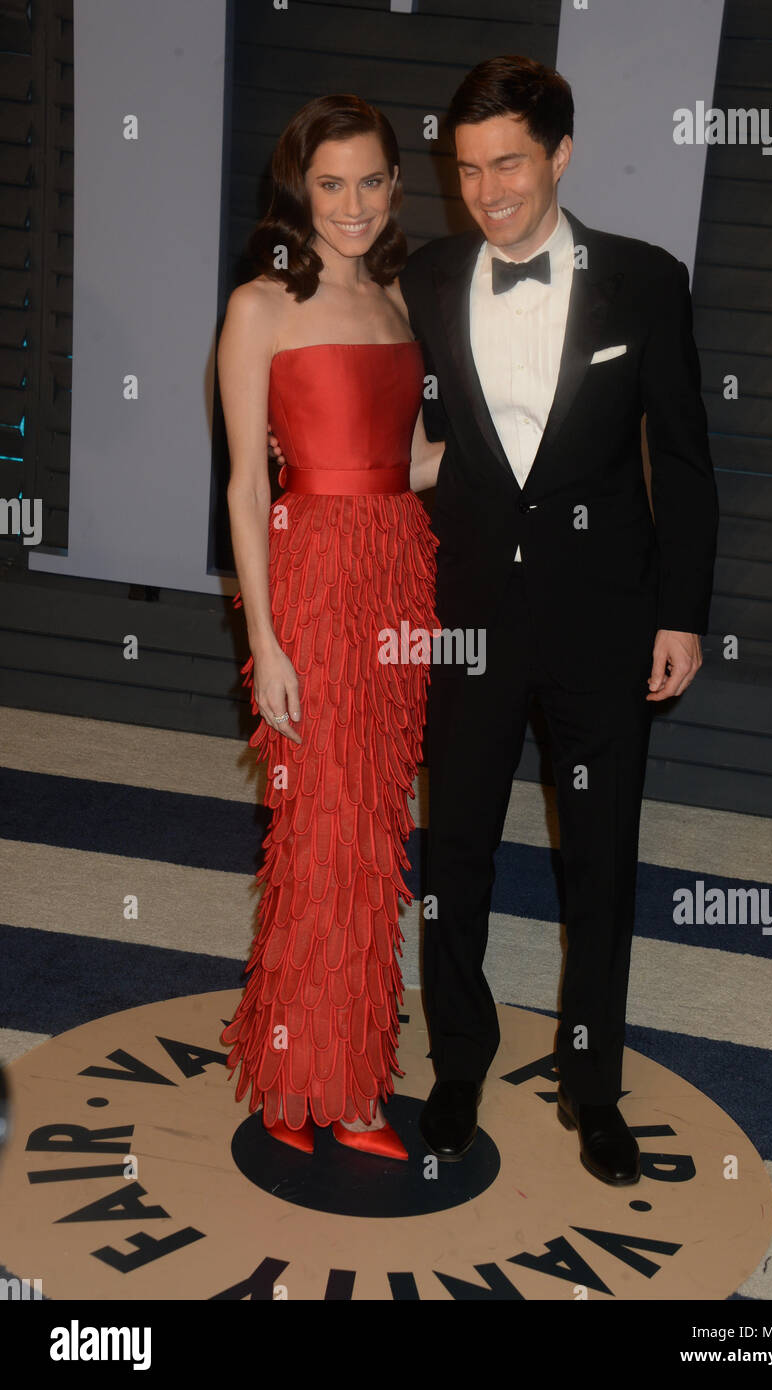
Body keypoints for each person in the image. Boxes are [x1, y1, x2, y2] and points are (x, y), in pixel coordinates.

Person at [396, 55, 720, 1185]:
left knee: (601, 862)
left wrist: (682, 615)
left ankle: (591, 1086)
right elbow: (406, 438)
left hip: (604, 617)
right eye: (468, 167)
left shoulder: (644, 281)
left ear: (560, 155)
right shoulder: (427, 278)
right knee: (459, 852)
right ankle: (456, 1067)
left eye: (510, 164)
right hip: (468, 614)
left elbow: (682, 462)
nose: (487, 190)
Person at [217, 93, 443, 1161]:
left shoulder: (401, 297)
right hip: (309, 571)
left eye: (369, 182)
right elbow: (237, 484)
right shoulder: (260, 305)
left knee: (373, 828)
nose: (350, 204)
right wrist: (263, 640)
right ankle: (292, 1074)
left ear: (396, 187)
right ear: (297, 192)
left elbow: (414, 461)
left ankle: (352, 1082)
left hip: (397, 573)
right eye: (328, 183)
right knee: (316, 831)